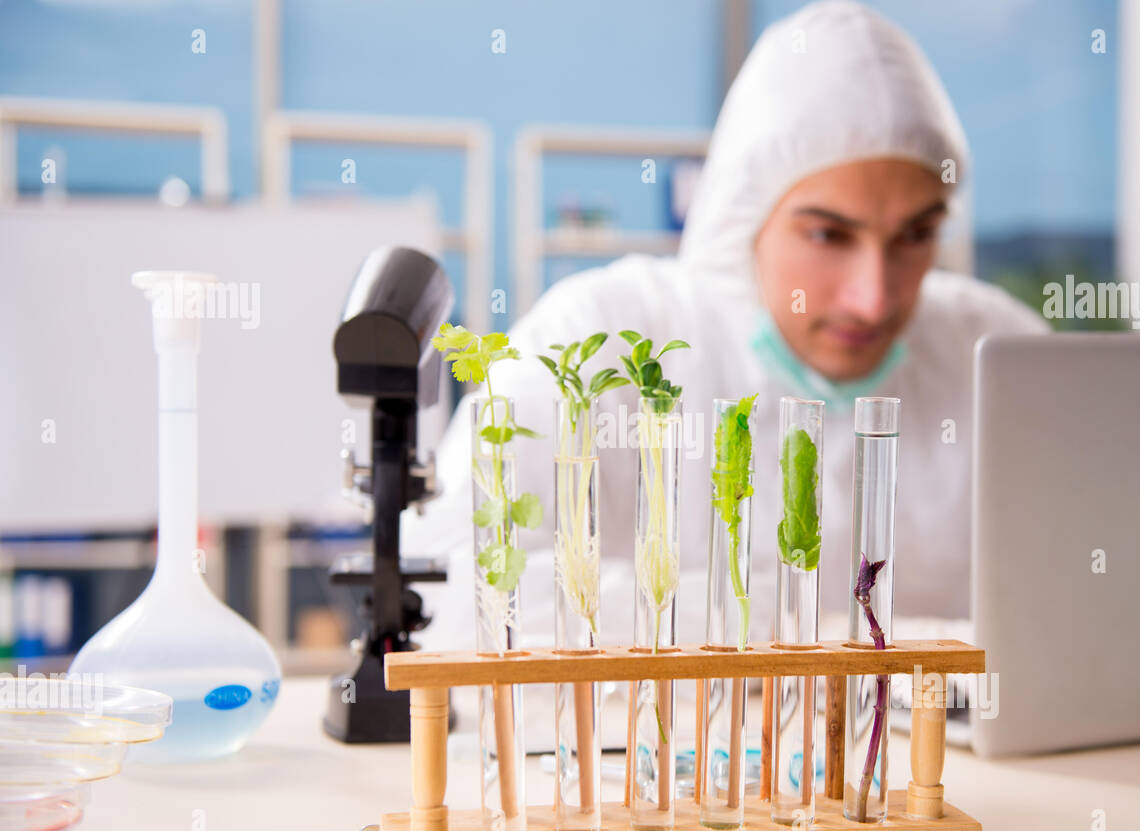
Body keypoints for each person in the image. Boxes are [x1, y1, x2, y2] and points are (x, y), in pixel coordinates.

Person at [405, 0, 1047, 650]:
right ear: (744, 212)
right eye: (828, 233)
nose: (871, 298)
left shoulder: (996, 351)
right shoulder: (600, 336)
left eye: (916, 234)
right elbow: (449, 588)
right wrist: (807, 635)